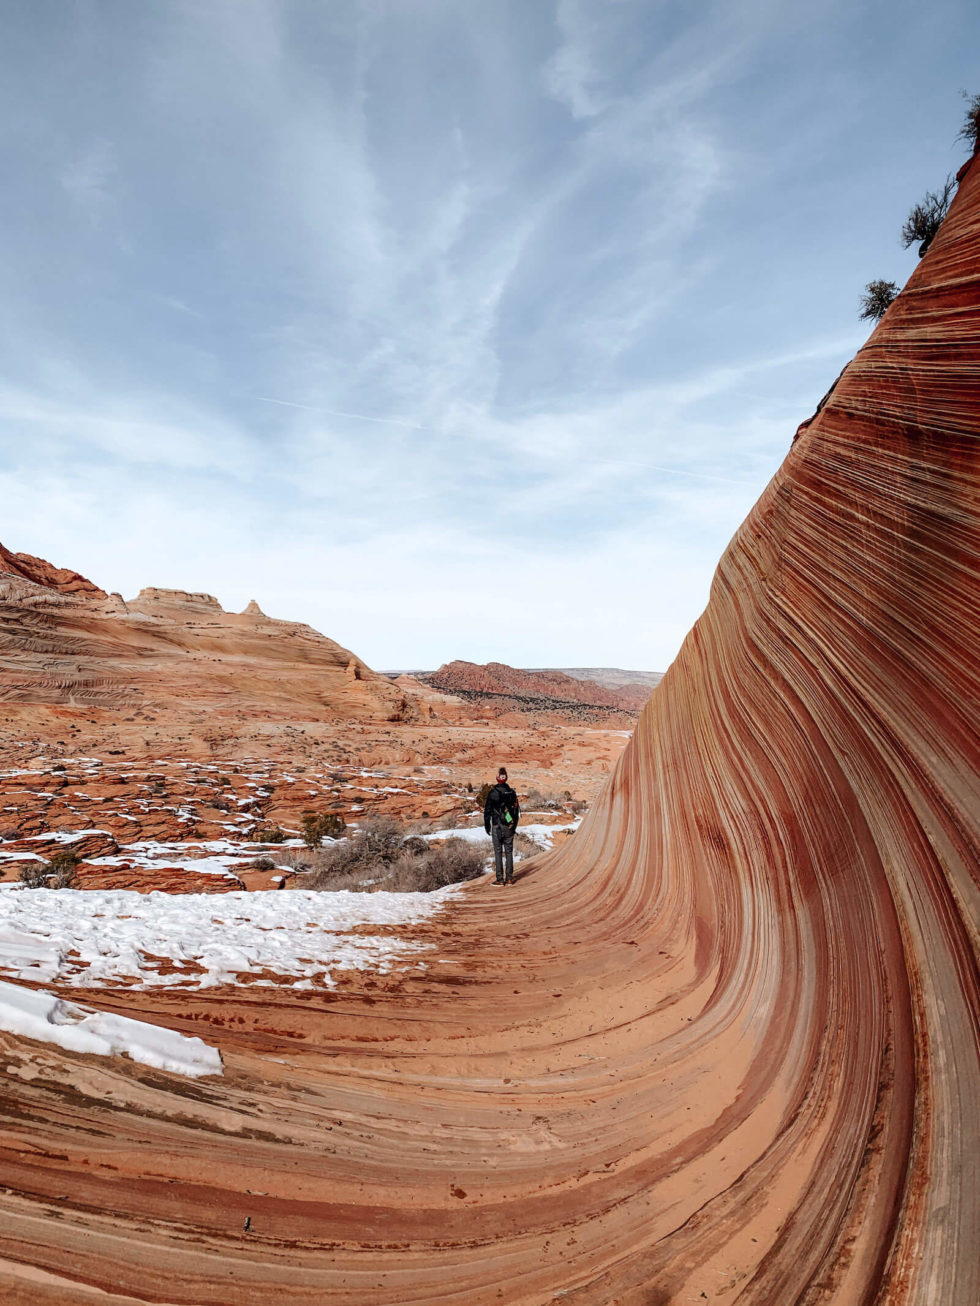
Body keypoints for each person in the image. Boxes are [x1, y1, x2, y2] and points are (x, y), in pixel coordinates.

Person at [484, 767, 520, 884]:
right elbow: (516, 811)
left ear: (497, 778)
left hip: (497, 825)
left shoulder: (493, 792)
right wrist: (513, 826)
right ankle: (509, 878)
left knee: (498, 852)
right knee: (509, 852)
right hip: (508, 825)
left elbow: (487, 810)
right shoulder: (512, 792)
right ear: (506, 778)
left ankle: (499, 879)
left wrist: (487, 826)